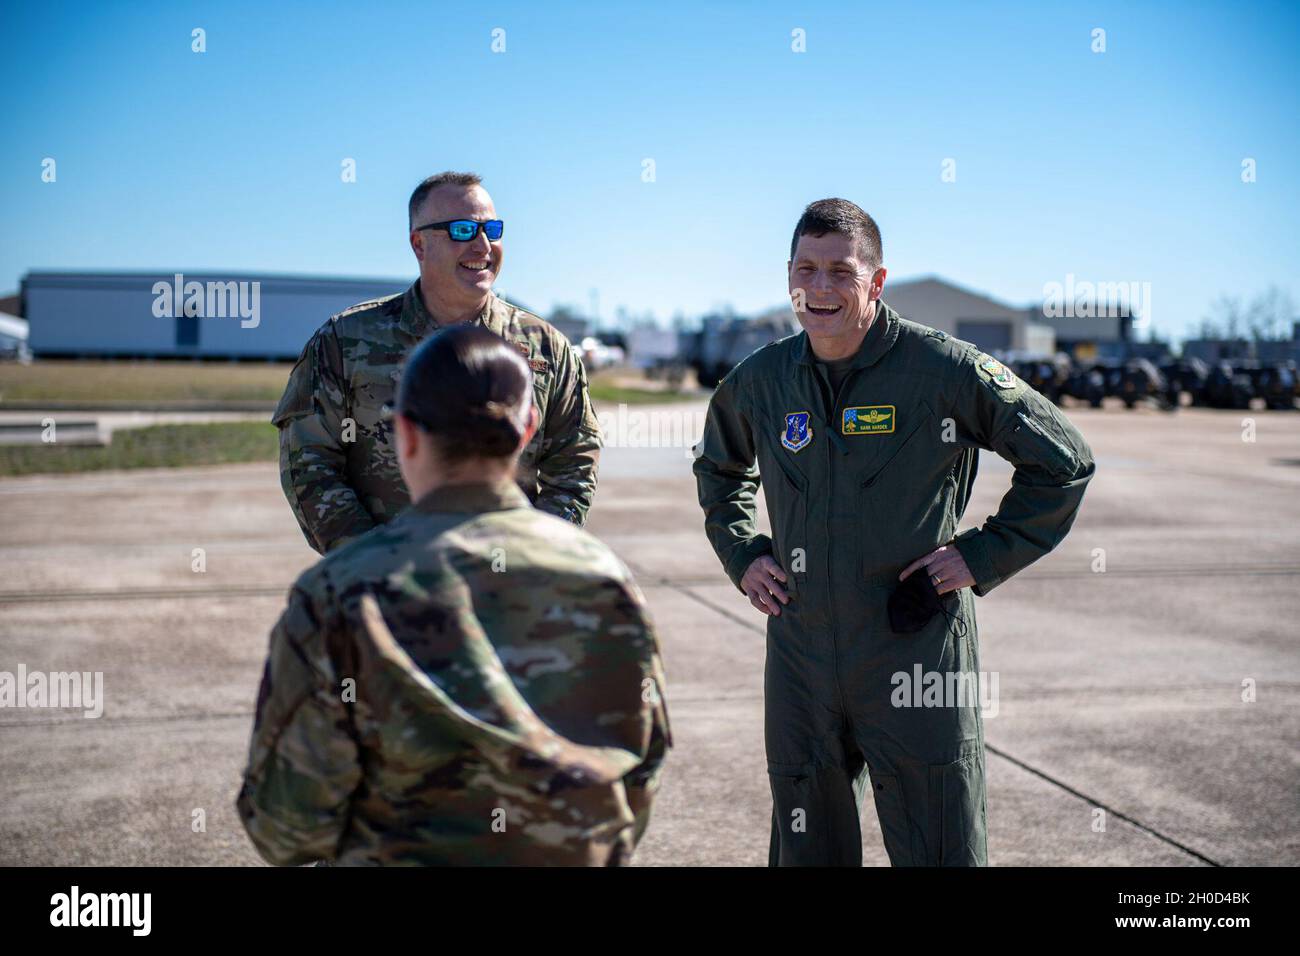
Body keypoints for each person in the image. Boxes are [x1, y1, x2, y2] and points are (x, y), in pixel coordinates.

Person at [692, 198, 1095, 866]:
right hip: (801, 653)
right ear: (788, 276)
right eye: (807, 270)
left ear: (876, 282)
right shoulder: (761, 381)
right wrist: (743, 553)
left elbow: (1064, 461)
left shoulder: (943, 370)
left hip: (915, 648)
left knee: (939, 839)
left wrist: (978, 557)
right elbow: (718, 468)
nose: (821, 288)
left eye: (841, 272)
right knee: (805, 842)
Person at [239, 324, 669, 865]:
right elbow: (640, 772)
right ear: (527, 428)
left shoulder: (340, 593)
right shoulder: (605, 577)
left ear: (406, 435)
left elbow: (286, 828)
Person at [274, 171, 602, 554]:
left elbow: (575, 462)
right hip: (386, 585)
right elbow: (310, 461)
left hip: (505, 587)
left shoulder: (547, 349)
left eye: (492, 229)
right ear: (419, 244)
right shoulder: (345, 342)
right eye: (462, 230)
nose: (483, 246)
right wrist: (374, 561)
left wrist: (530, 558)